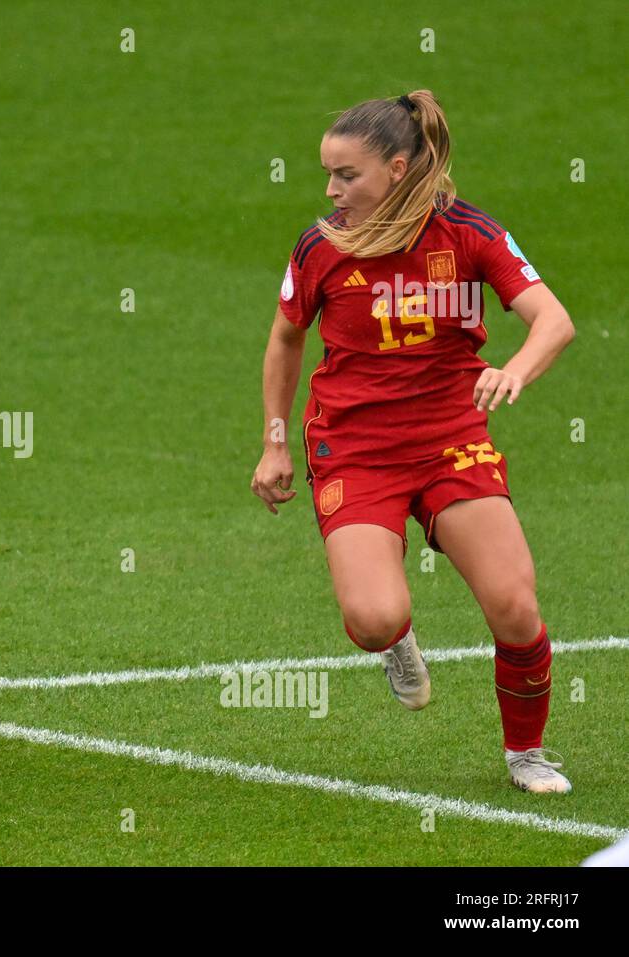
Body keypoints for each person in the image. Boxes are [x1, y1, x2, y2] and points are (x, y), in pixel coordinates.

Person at [251, 90, 576, 793]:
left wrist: (513, 370)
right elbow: (285, 340)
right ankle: (396, 642)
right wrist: (276, 443)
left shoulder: (468, 232)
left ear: (397, 168)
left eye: (347, 175)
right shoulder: (322, 246)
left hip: (451, 438)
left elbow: (552, 319)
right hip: (355, 446)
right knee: (372, 618)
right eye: (328, 175)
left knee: (516, 605)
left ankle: (527, 753)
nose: (331, 191)